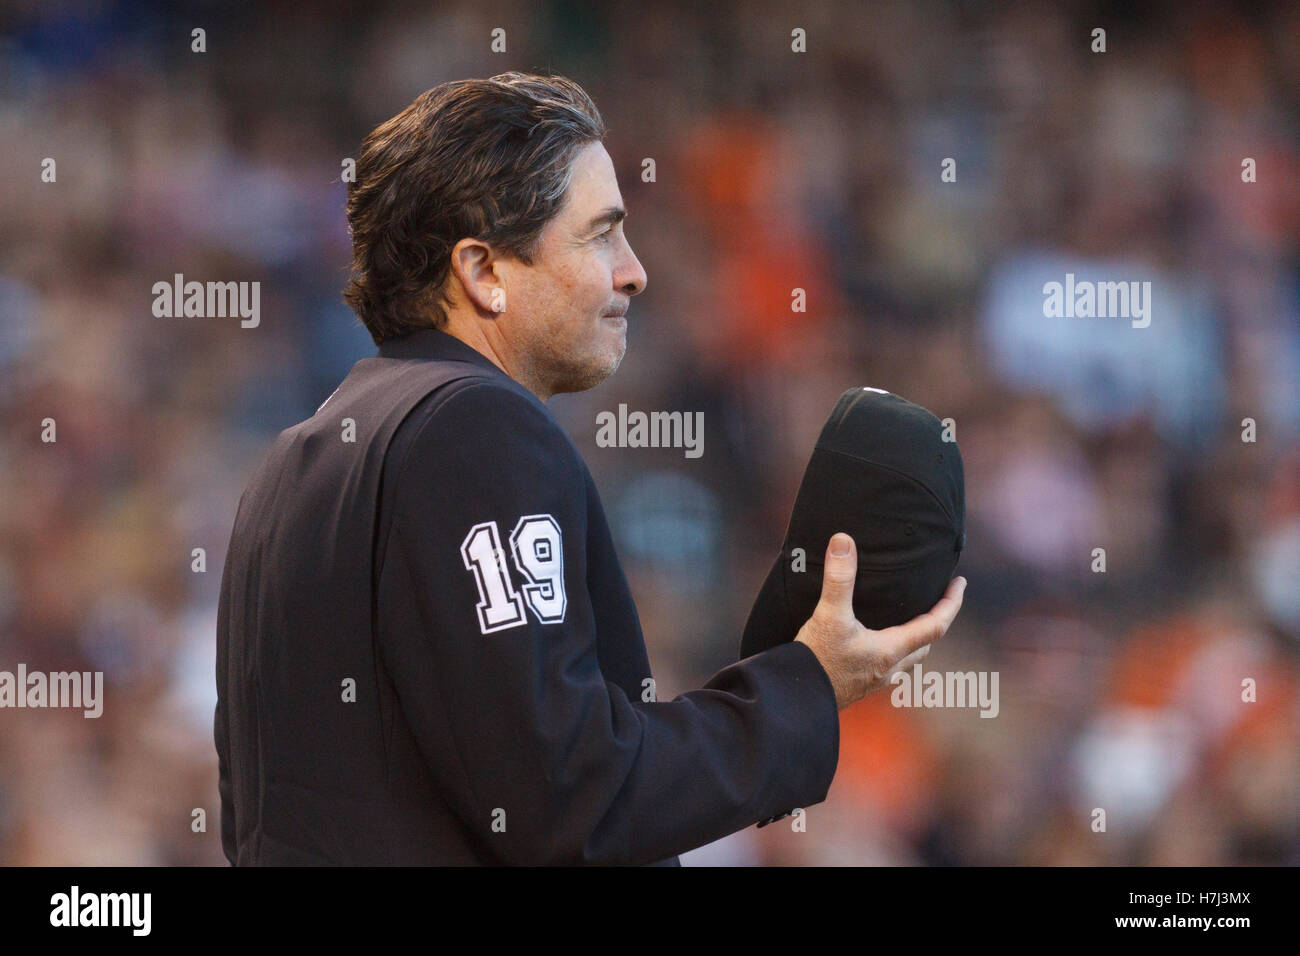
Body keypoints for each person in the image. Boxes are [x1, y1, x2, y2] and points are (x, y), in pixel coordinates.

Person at [214, 72, 967, 865]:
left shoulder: (295, 457)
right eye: (601, 234)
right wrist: (805, 686)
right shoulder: (472, 428)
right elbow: (571, 797)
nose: (633, 270)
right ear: (483, 272)